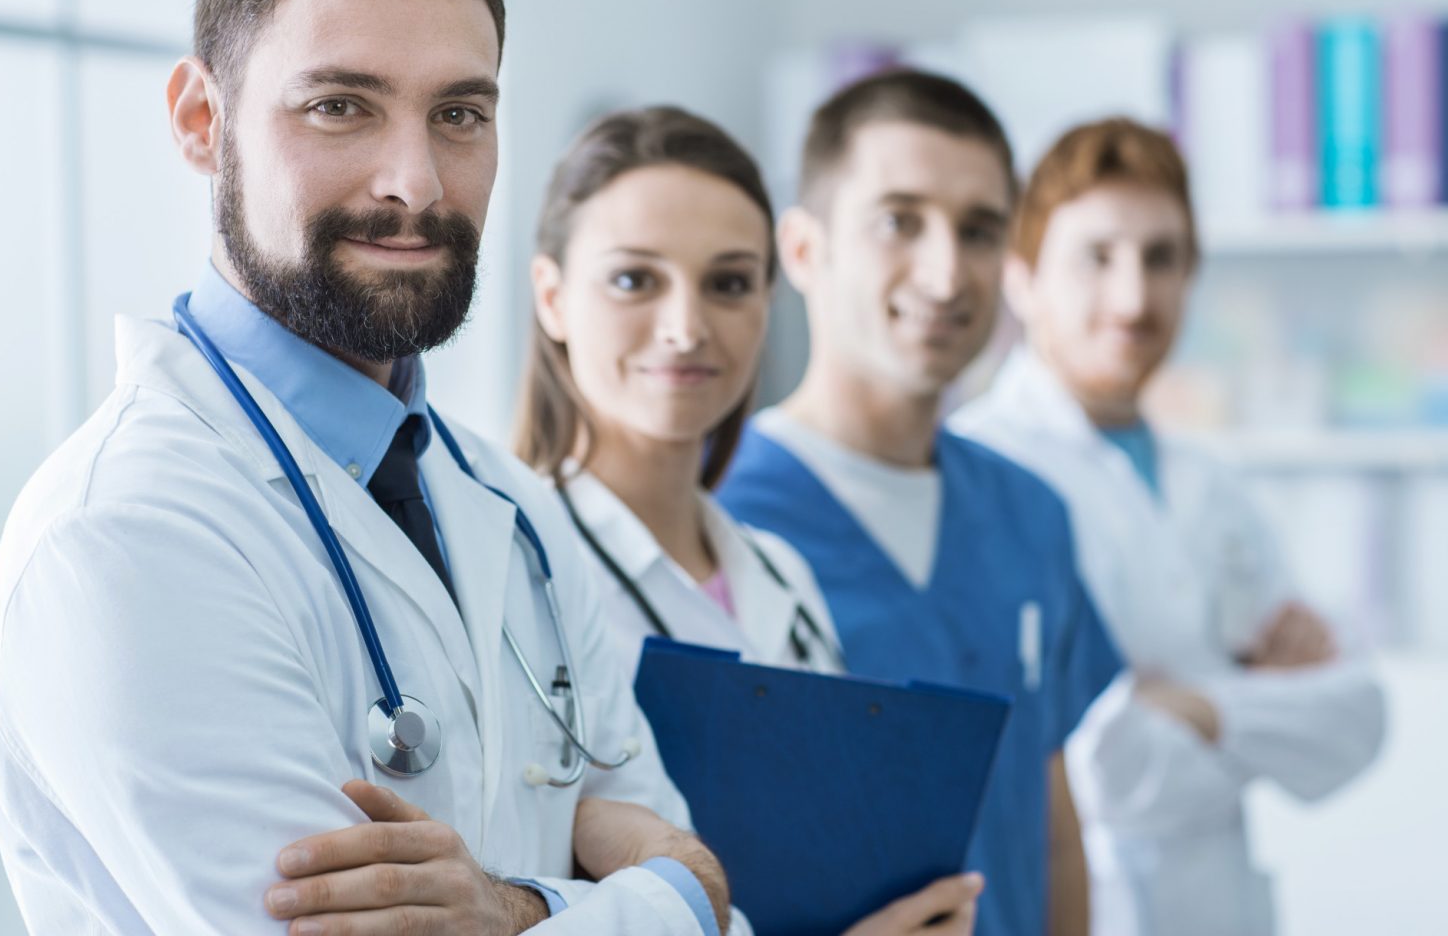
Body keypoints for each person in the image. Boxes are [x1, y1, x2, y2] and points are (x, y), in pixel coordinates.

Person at [0, 0, 738, 934]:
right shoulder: (125, 534)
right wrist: (668, 891)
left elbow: (713, 888)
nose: (413, 182)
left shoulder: (511, 508)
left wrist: (512, 911)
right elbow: (697, 887)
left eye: (459, 114)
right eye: (340, 106)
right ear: (202, 119)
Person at [513, 105, 985, 935]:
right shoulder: (511, 573)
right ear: (551, 297)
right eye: (635, 280)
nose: (686, 327)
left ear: (770, 298)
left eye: (729, 283)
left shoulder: (779, 573)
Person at [951, 117, 1387, 936]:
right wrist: (1256, 702)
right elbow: (1107, 767)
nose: (1133, 297)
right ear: (1021, 276)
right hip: (1089, 905)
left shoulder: (1212, 481)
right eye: (1098, 256)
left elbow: (1358, 716)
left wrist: (1198, 707)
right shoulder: (980, 474)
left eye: (1162, 258)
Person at [717, 69, 1124, 936]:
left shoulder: (1031, 517)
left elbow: (1052, 826)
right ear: (803, 250)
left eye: (978, 231)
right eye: (900, 221)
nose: (945, 274)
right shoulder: (718, 522)